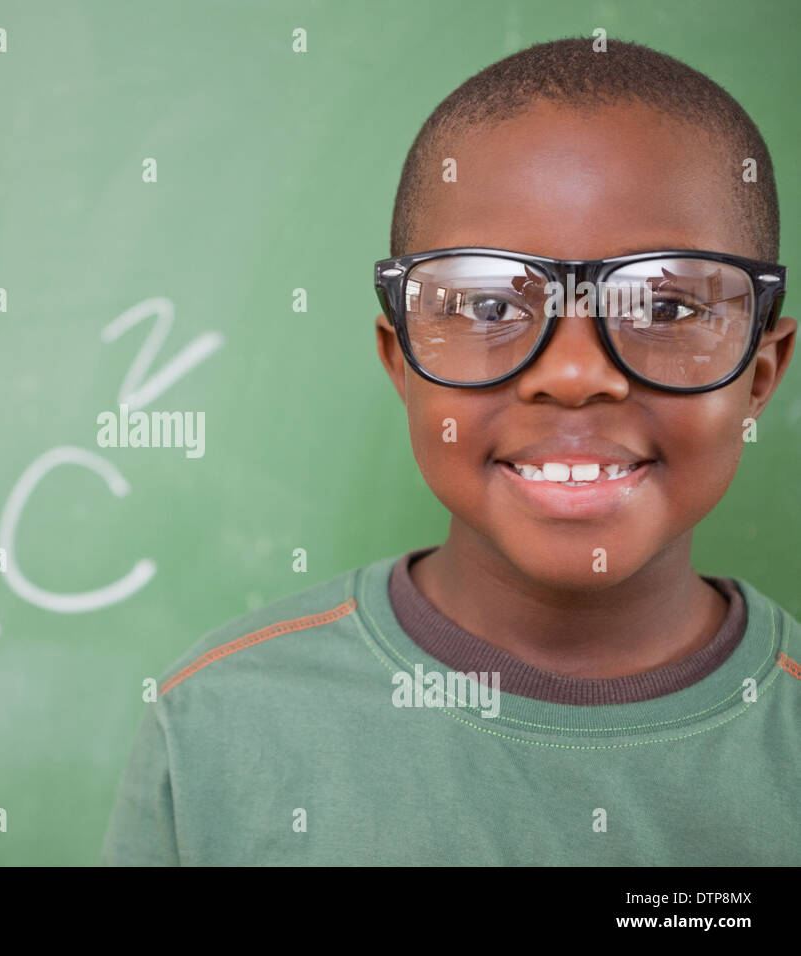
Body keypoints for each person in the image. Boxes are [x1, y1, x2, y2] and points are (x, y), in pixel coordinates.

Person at [100, 37, 799, 865]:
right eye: (486, 302)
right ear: (401, 361)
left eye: (670, 307)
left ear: (760, 373)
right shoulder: (219, 724)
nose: (574, 373)